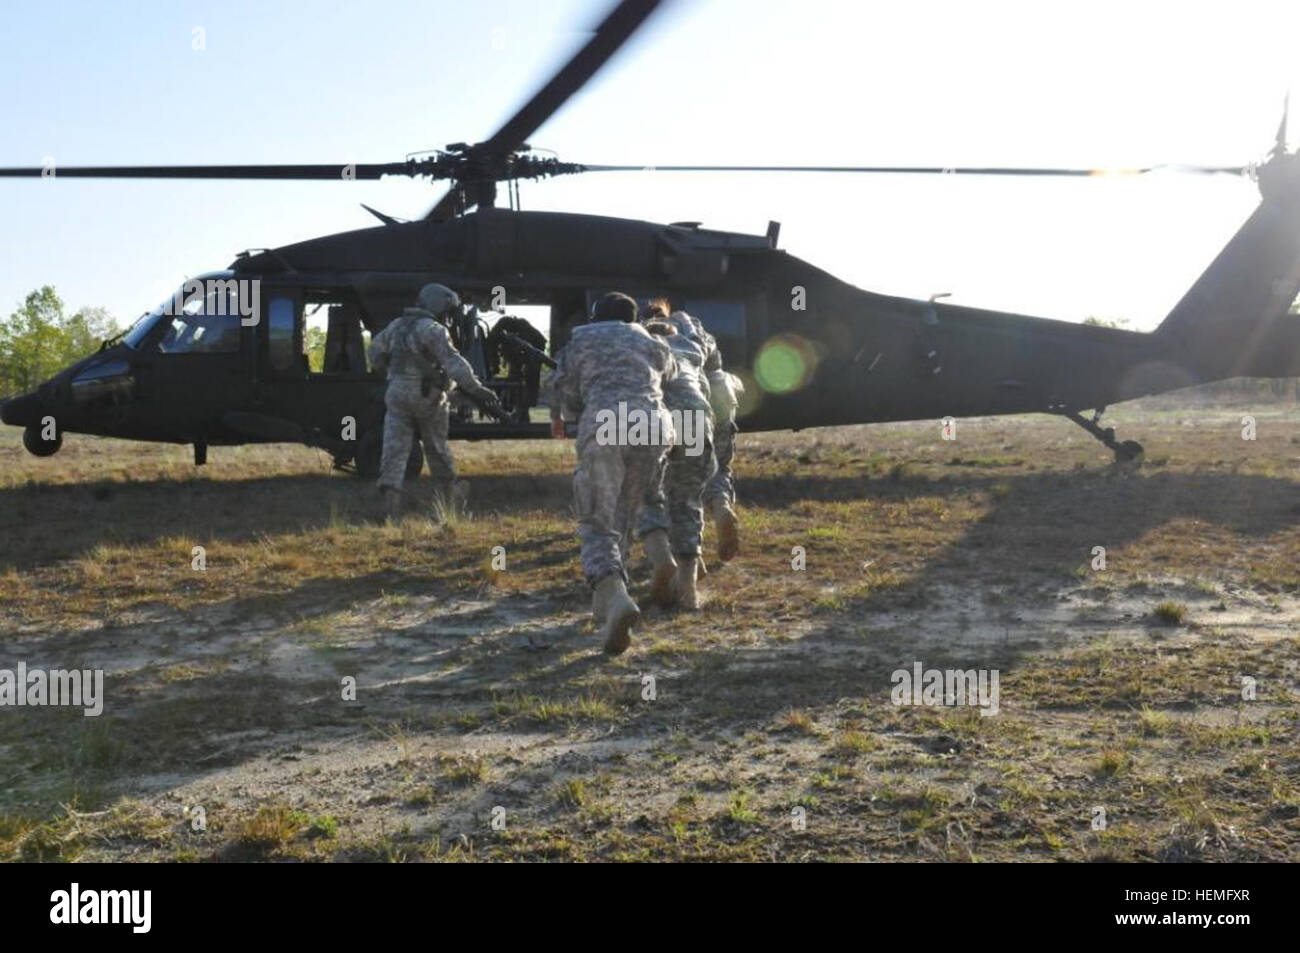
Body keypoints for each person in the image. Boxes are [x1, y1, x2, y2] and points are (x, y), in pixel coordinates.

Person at [547, 291, 677, 654]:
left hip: (606, 424)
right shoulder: (651, 341)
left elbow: (565, 392)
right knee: (625, 513)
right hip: (653, 426)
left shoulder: (580, 340)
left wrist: (568, 407)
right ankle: (605, 608)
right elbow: (670, 372)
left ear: (595, 315)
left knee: (597, 522)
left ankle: (616, 597)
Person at [367, 283, 503, 519]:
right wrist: (477, 390)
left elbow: (374, 354)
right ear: (440, 307)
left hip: (396, 393)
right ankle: (449, 504)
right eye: (448, 311)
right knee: (436, 449)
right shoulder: (433, 330)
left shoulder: (396, 326)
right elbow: (454, 363)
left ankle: (390, 508)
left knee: (394, 451)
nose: (449, 317)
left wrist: (392, 373)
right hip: (427, 396)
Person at [635, 305, 716, 609]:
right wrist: (684, 319)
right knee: (687, 500)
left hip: (653, 419)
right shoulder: (691, 347)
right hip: (694, 420)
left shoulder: (639, 345)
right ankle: (688, 589)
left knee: (645, 496)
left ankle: (661, 558)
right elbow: (703, 336)